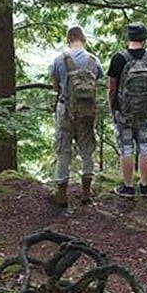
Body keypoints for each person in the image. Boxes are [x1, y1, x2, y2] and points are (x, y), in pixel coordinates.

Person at [49, 25, 104, 207]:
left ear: (68, 39)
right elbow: (98, 81)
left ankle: (62, 194)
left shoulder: (59, 59)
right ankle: (86, 192)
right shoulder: (94, 61)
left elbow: (55, 86)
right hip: (86, 112)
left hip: (65, 109)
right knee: (87, 151)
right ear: (84, 39)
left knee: (63, 150)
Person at [108, 22, 147, 198]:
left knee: (126, 148)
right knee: (145, 146)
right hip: (146, 112)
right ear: (145, 38)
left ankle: (128, 187)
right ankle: (145, 185)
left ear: (129, 38)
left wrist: (113, 108)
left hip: (124, 112)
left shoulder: (119, 58)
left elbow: (112, 89)